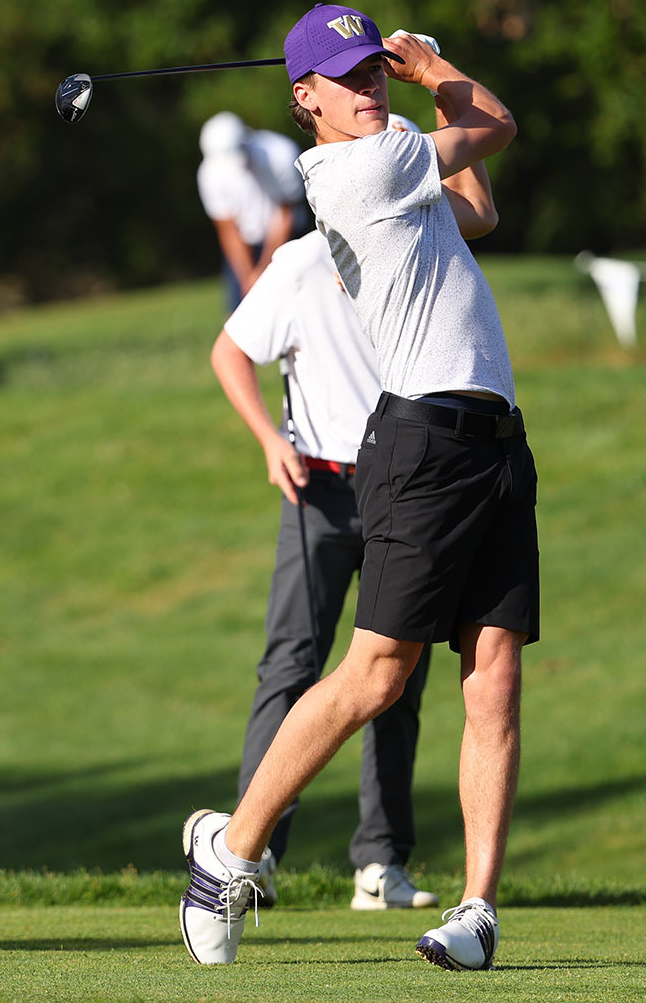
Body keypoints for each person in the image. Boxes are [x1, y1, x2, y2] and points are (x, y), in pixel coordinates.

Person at [179, 4, 533, 974]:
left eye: (376, 68)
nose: (372, 85)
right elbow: (496, 122)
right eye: (354, 76)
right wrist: (433, 68)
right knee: (379, 674)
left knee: (494, 672)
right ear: (306, 99)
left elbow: (482, 210)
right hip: (420, 443)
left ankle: (476, 910)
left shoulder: (402, 165)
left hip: (494, 440)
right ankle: (231, 850)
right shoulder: (360, 168)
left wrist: (421, 86)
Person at [210, 114, 438, 918]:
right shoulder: (299, 263)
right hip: (316, 485)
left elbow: (478, 188)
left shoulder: (411, 249)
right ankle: (252, 853)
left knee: (395, 679)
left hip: (399, 484)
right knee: (292, 668)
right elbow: (230, 352)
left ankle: (381, 861)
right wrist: (268, 439)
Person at [197, 112, 306, 309]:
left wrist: (263, 269)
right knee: (239, 312)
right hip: (246, 242)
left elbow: (284, 216)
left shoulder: (281, 154)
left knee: (292, 306)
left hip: (288, 239)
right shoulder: (209, 174)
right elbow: (229, 230)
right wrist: (248, 277)